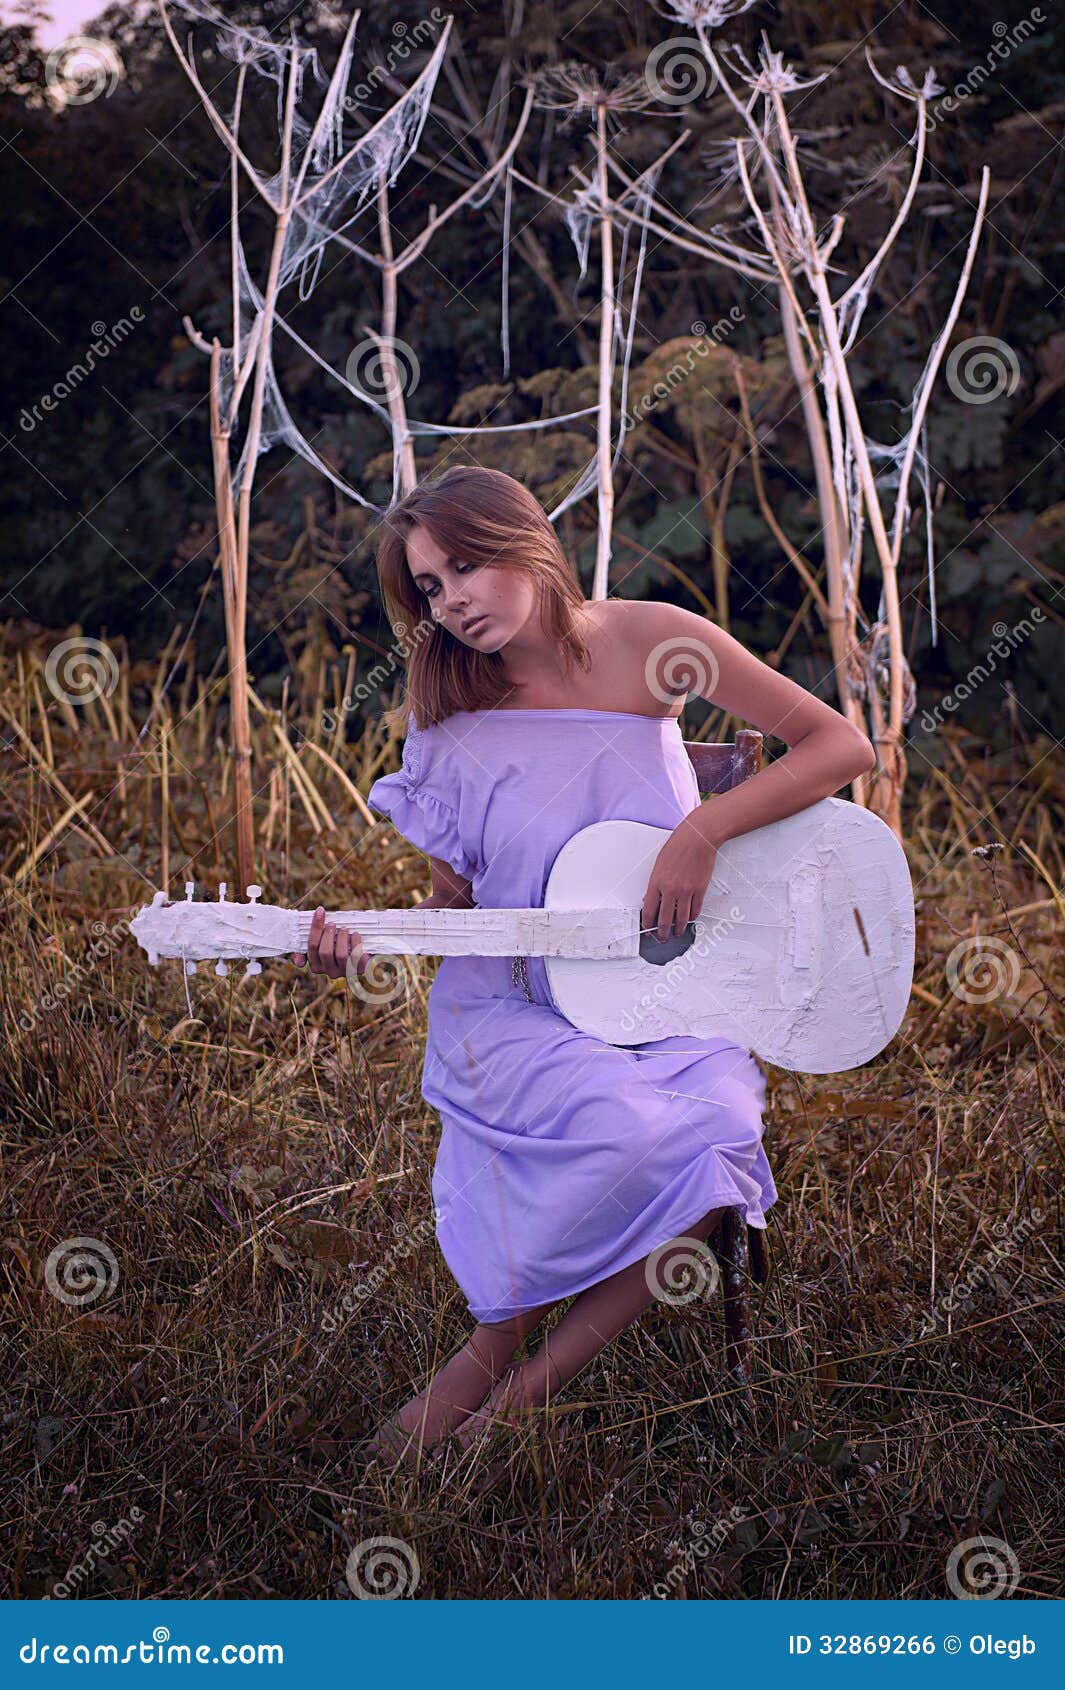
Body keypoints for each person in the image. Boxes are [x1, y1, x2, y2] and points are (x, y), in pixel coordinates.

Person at [292, 464, 876, 1467]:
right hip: (514, 1004)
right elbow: (456, 907)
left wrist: (702, 830)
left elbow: (838, 744)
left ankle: (516, 1402)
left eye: (466, 566)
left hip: (665, 989)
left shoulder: (648, 642)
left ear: (525, 539)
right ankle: (478, 1367)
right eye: (430, 587)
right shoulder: (447, 706)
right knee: (620, 1129)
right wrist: (360, 941)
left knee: (715, 1132)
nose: (453, 601)